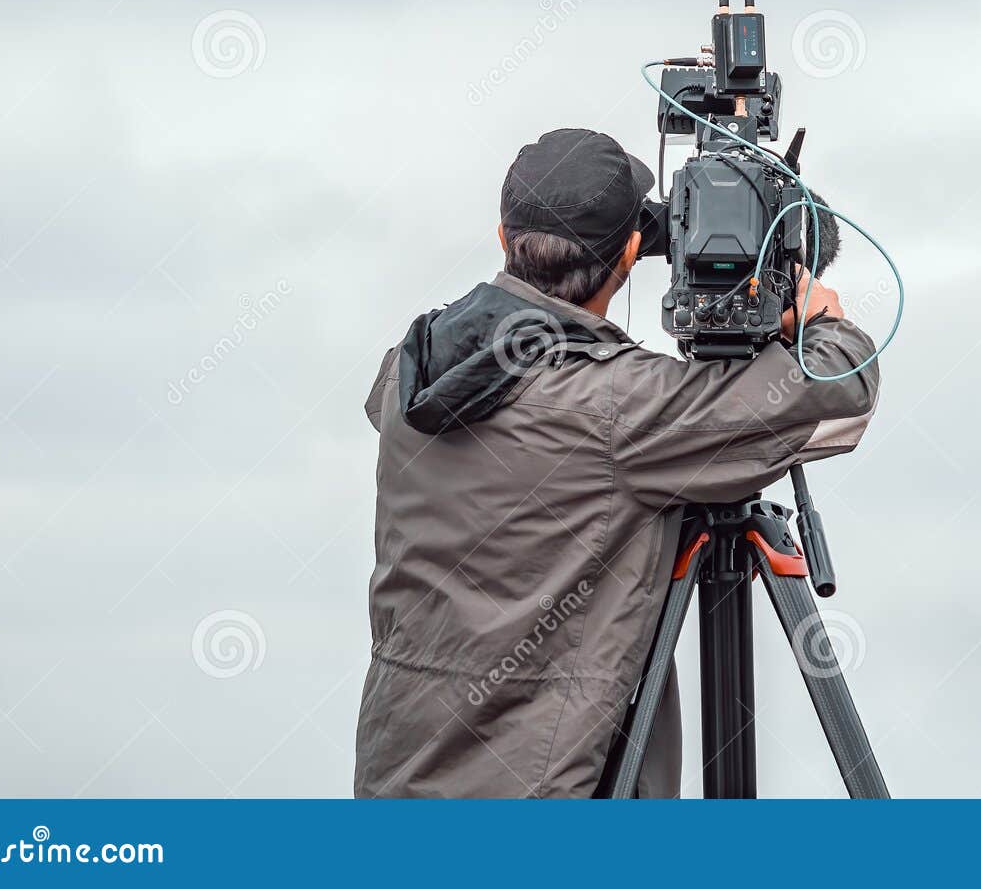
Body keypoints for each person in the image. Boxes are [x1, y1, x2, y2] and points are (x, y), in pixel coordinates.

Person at [355, 127, 881, 797]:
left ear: (501, 237)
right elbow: (840, 382)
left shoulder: (409, 369)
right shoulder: (615, 410)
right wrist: (817, 320)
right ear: (633, 251)